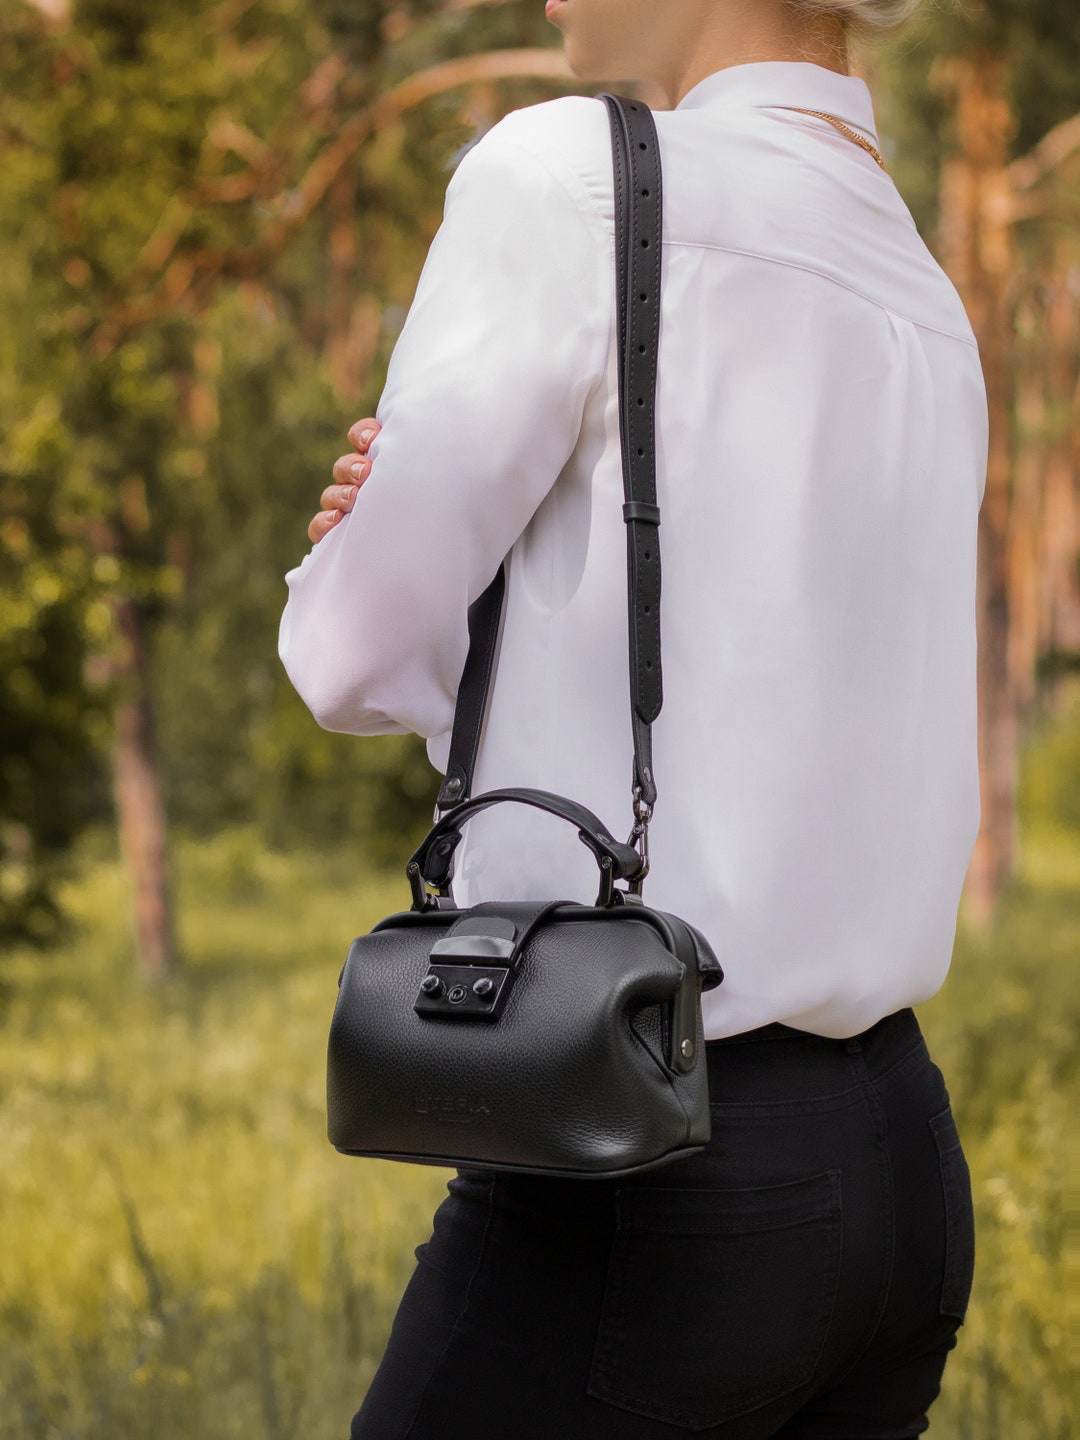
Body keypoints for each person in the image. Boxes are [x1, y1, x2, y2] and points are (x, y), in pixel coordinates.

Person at [279, 0, 985, 1434]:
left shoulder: (569, 177)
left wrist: (369, 555)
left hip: (643, 1150)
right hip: (899, 1167)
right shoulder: (912, 271)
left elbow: (347, 656)